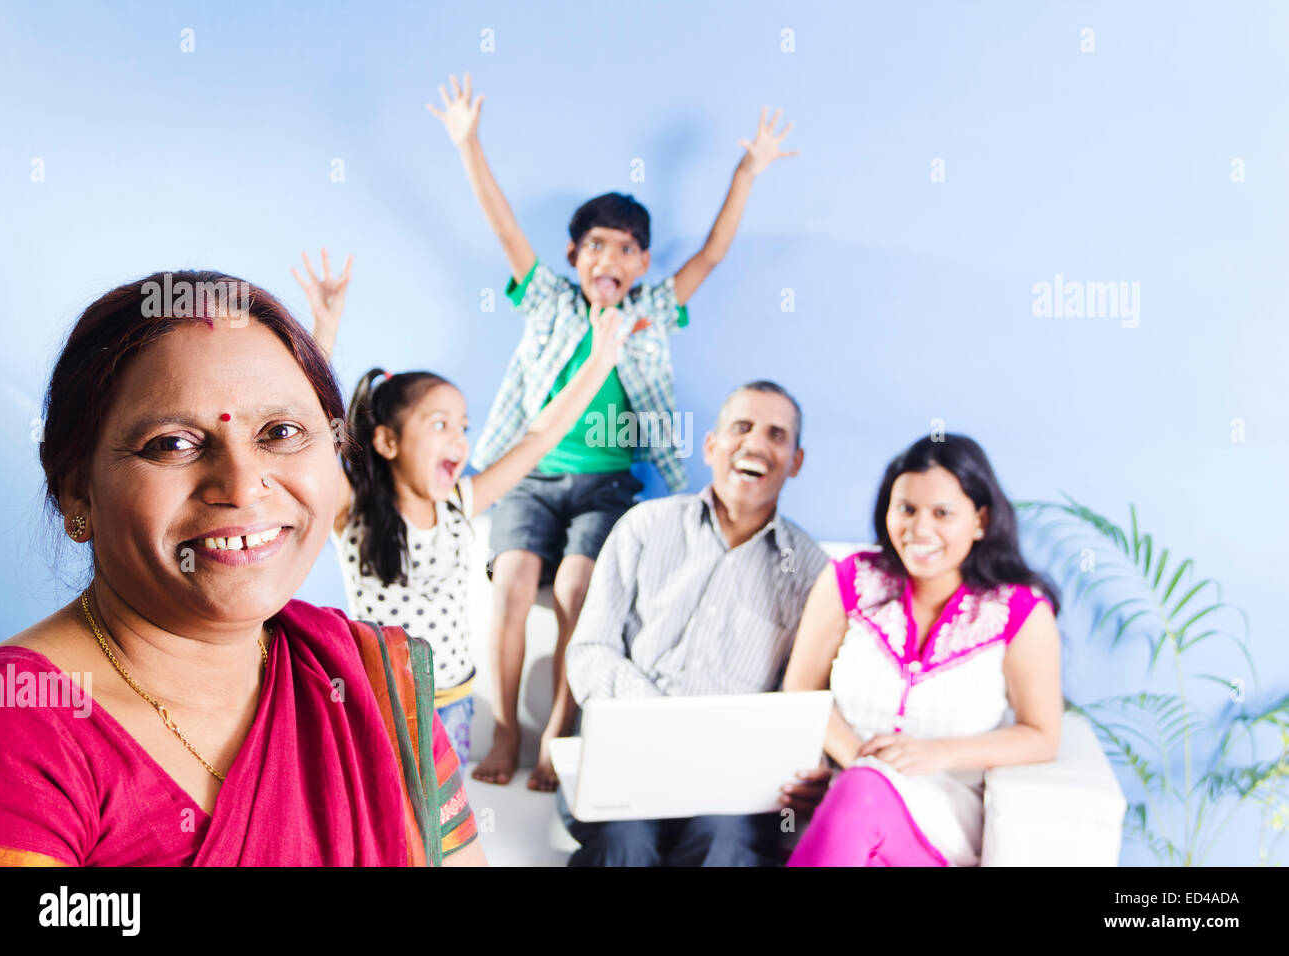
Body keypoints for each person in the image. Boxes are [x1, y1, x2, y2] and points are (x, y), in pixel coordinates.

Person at [0, 271, 486, 866]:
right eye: (172, 444)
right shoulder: (19, 725)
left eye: (281, 432)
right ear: (77, 494)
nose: (244, 487)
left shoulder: (375, 684)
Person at [428, 73, 800, 790]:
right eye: (597, 245)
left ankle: (557, 735)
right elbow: (503, 224)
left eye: (629, 248)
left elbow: (714, 253)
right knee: (510, 587)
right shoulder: (547, 301)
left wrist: (745, 171)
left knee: (576, 590)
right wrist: (468, 141)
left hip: (607, 488)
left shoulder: (653, 313)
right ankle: (507, 730)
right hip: (528, 480)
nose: (612, 259)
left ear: (642, 265)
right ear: (574, 256)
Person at [291, 249, 631, 770]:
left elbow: (540, 437)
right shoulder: (352, 512)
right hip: (380, 711)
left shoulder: (459, 504)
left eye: (463, 426)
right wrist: (324, 330)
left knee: (443, 831)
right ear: (386, 441)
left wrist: (599, 363)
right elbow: (311, 437)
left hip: (455, 705)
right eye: (439, 425)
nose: (459, 439)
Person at [562, 382, 831, 866]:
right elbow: (590, 649)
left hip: (733, 778)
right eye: (742, 428)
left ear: (795, 461)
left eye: (776, 435)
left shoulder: (812, 572)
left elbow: (807, 696)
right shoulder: (645, 525)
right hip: (629, 751)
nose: (755, 445)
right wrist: (657, 718)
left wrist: (812, 762)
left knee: (726, 845)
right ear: (711, 446)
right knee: (625, 841)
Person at [782, 434, 1063, 867]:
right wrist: (860, 760)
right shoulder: (849, 580)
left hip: (940, 817)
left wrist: (939, 753)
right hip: (841, 797)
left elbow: (1042, 736)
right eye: (906, 509)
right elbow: (800, 691)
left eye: (942, 513)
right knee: (861, 798)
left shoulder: (1021, 612)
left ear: (980, 521)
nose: (919, 530)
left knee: (863, 793)